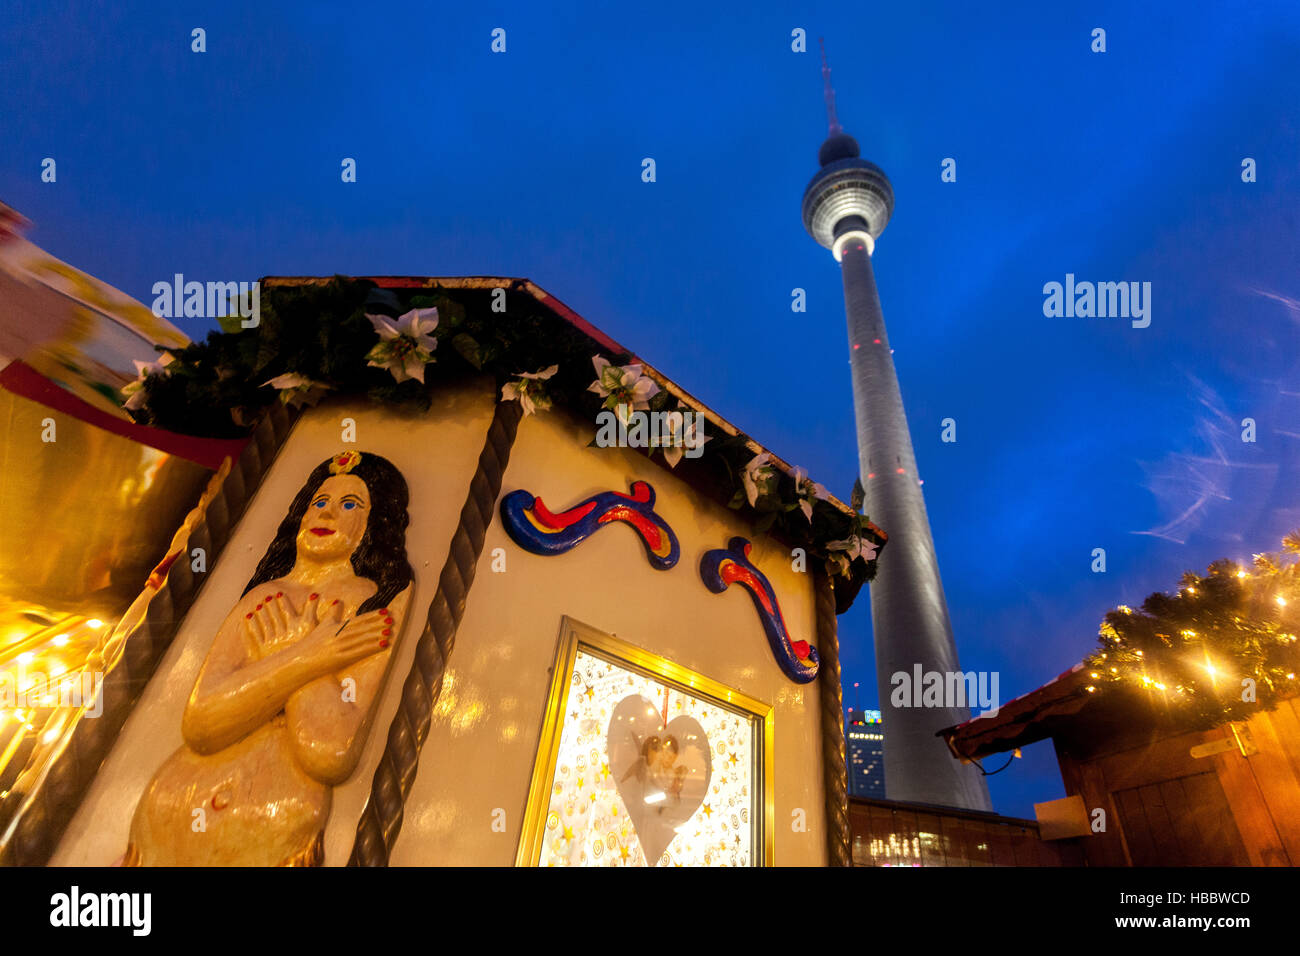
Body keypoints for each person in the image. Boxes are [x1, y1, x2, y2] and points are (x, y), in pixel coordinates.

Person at [124, 451, 413, 866]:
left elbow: (327, 750)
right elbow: (203, 723)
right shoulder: (263, 598)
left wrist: (290, 655)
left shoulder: (376, 600)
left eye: (350, 504)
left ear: (375, 522)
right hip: (167, 822)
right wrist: (308, 656)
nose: (328, 512)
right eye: (319, 501)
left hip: (273, 836)